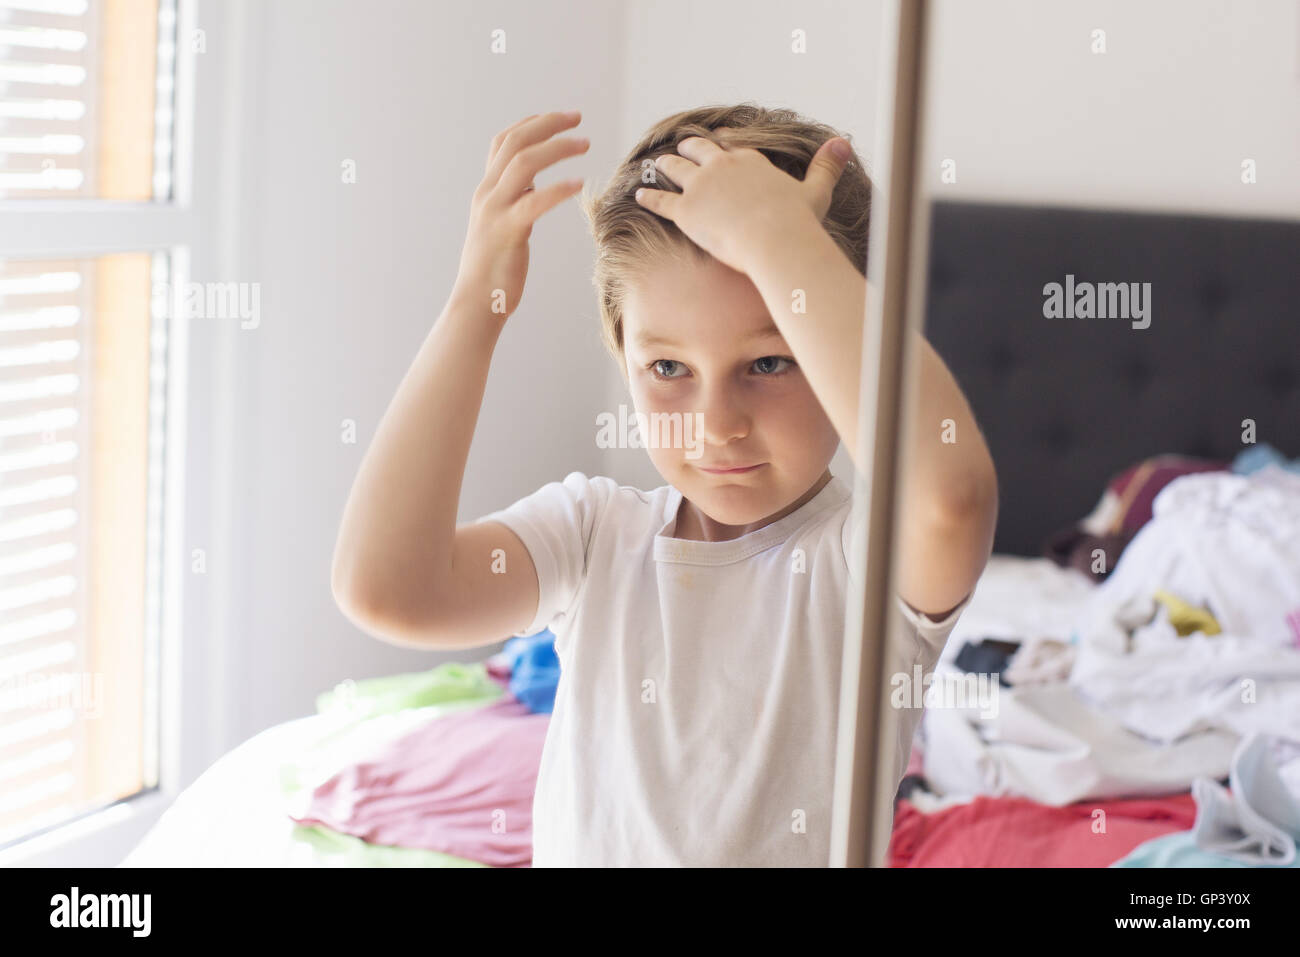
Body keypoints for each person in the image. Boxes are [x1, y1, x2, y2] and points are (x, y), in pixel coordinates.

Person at [331, 104, 998, 866]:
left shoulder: (866, 566)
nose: (716, 426)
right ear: (625, 356)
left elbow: (951, 493)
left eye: (769, 363)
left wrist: (782, 245)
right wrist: (473, 305)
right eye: (669, 369)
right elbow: (385, 584)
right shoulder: (591, 537)